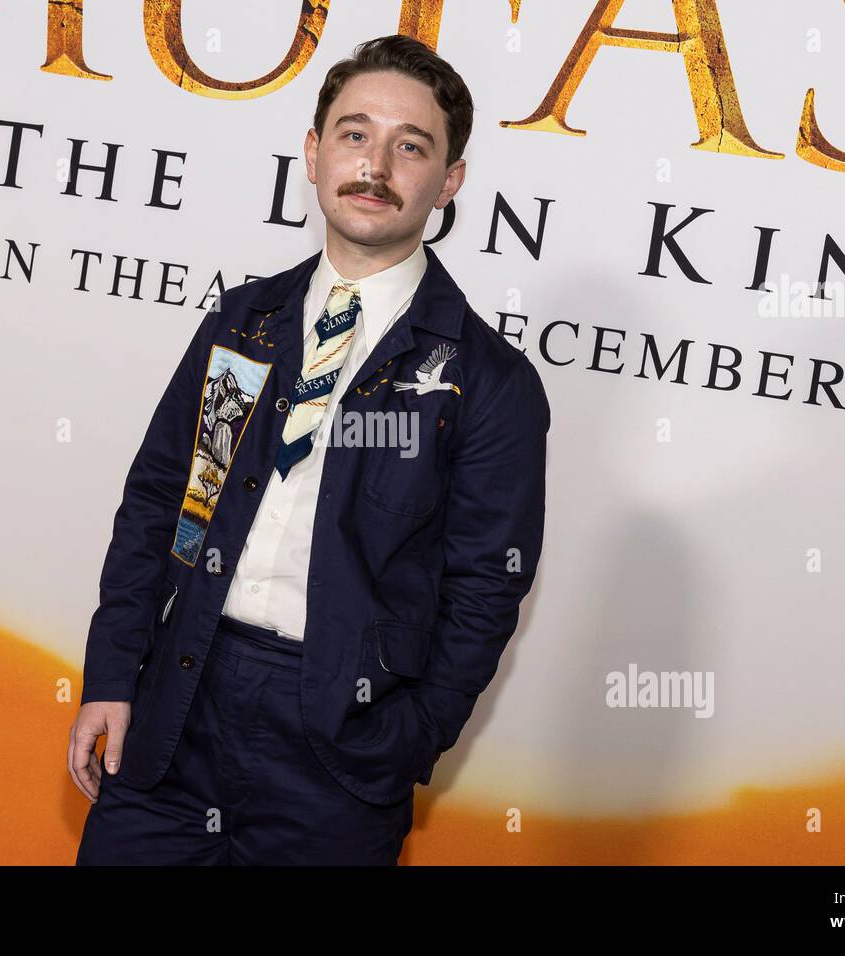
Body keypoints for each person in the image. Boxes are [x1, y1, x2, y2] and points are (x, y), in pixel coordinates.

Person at [69, 33, 550, 865]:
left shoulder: (490, 383)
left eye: (412, 147)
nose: (377, 166)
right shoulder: (243, 323)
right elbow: (159, 500)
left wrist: (408, 737)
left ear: (450, 182)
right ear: (314, 151)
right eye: (355, 134)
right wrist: (115, 675)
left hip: (339, 755)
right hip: (176, 708)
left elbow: (485, 591)